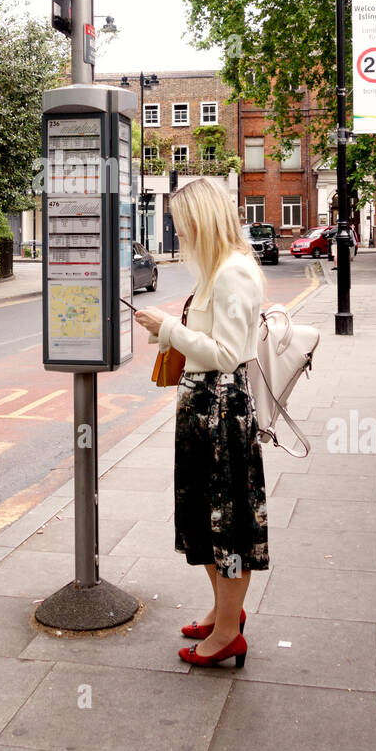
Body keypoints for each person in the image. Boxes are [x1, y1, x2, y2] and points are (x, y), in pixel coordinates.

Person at [134, 177, 268, 669]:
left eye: (183, 225)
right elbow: (207, 339)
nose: (180, 235)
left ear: (203, 220)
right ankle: (222, 612)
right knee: (203, 522)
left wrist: (170, 329)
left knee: (227, 525)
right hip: (201, 409)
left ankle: (229, 632)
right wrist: (168, 335)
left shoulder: (233, 273)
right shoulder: (217, 270)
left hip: (221, 413)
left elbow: (228, 355)